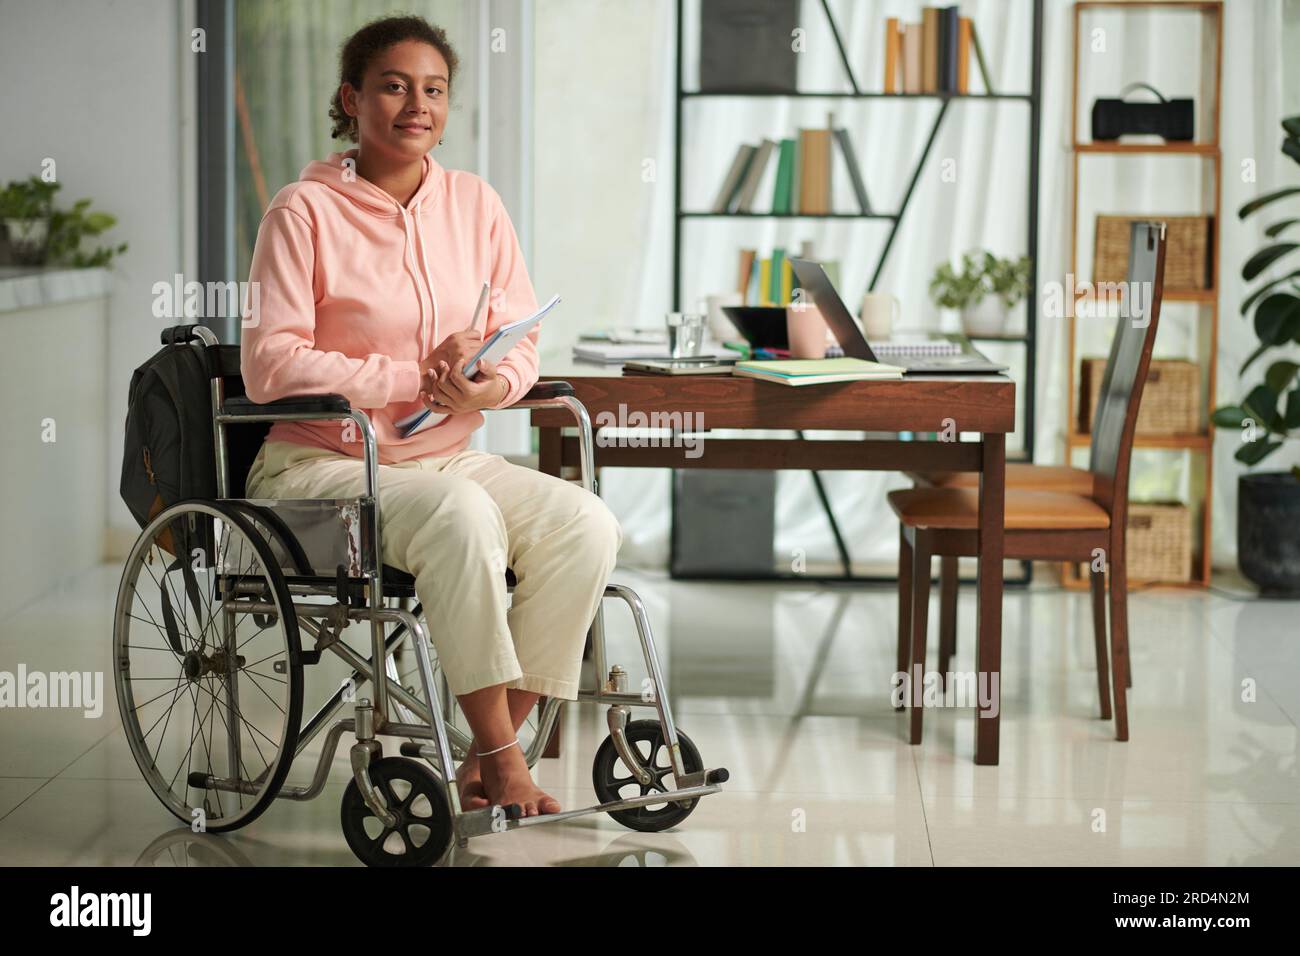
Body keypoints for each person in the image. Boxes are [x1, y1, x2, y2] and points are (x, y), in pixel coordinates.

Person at [240, 14, 621, 817]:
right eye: (394, 85)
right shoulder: (302, 211)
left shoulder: (475, 205)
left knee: (584, 523)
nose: (418, 104)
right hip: (321, 465)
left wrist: (490, 386)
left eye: (435, 89)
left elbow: (518, 336)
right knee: (460, 515)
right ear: (352, 98)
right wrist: (407, 376)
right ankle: (504, 760)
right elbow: (268, 363)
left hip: (444, 459)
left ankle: (490, 754)